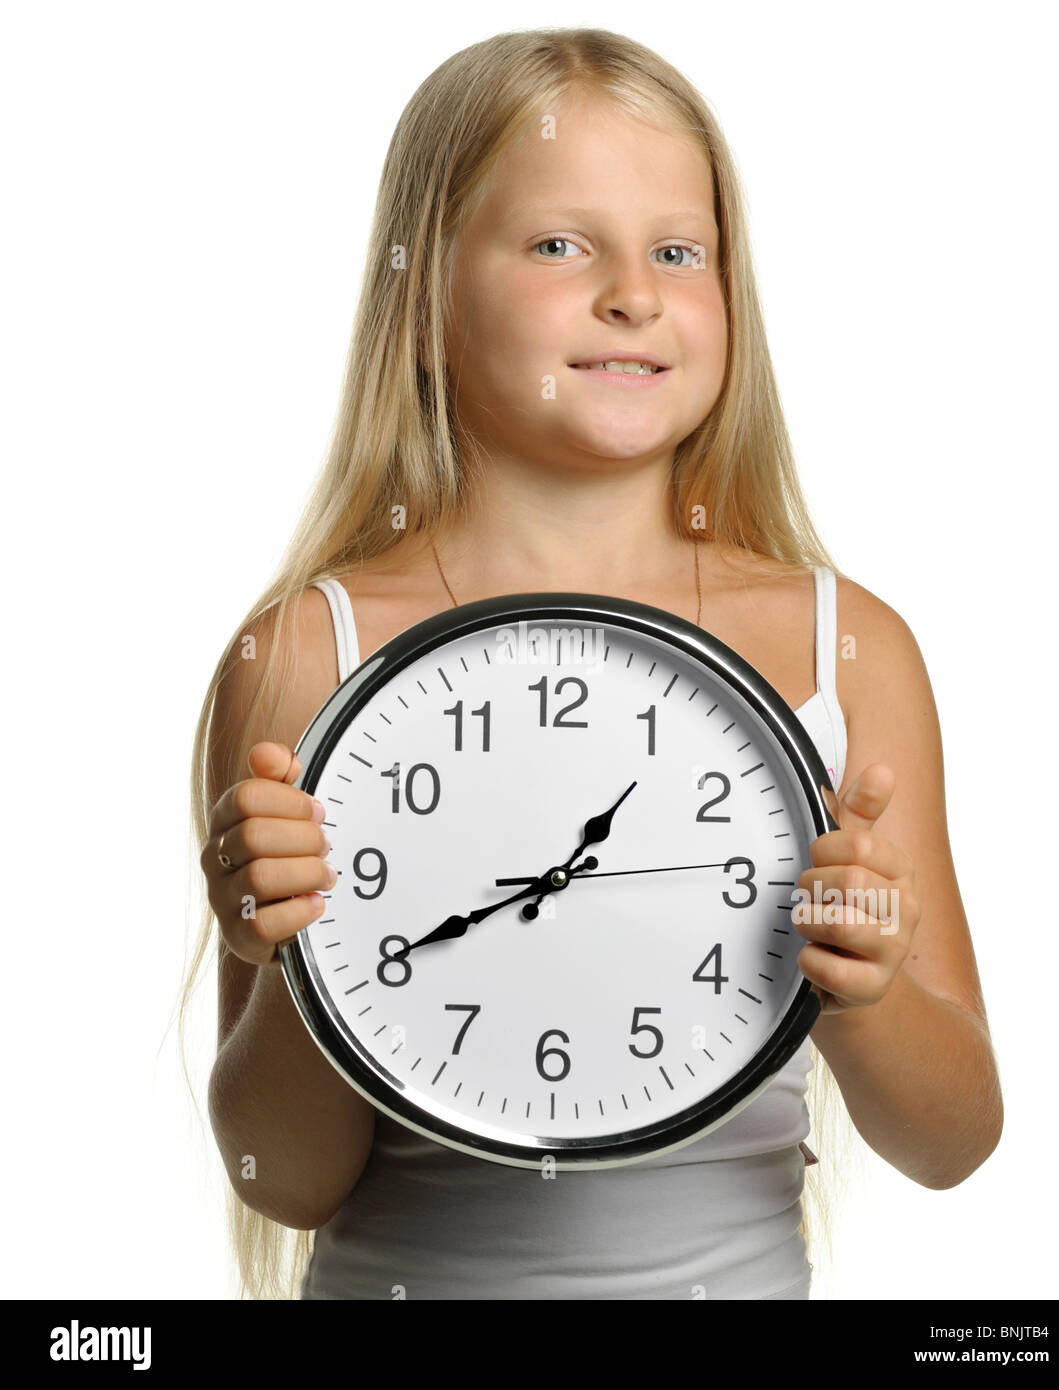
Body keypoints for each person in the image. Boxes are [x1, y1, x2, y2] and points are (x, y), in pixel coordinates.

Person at [182, 27, 1003, 1300]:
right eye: (561, 245)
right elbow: (278, 1173)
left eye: (678, 251)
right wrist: (298, 959)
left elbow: (953, 1140)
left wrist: (868, 989)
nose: (634, 292)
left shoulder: (845, 653)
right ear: (425, 309)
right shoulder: (310, 652)